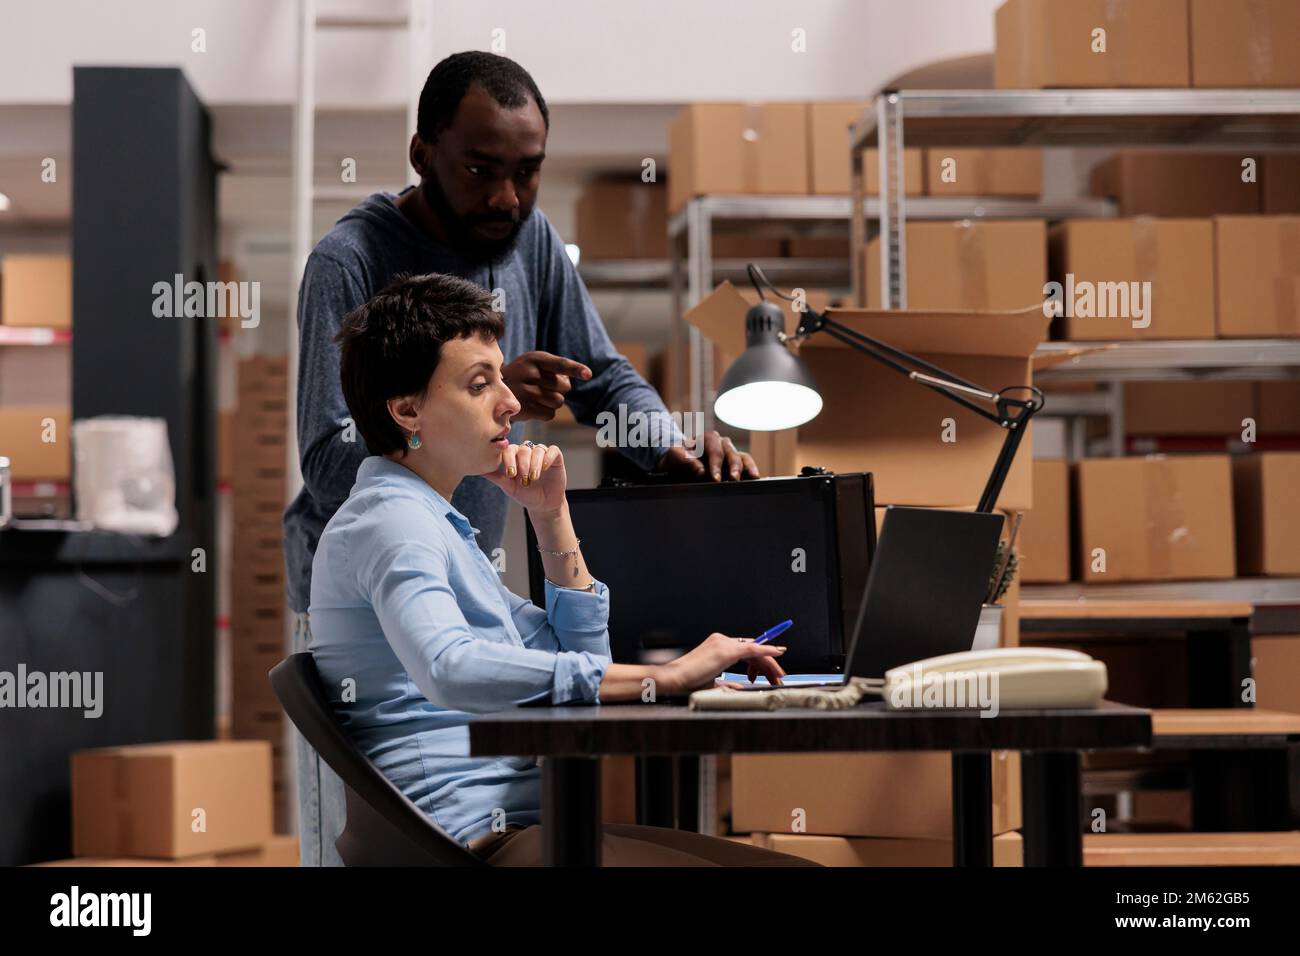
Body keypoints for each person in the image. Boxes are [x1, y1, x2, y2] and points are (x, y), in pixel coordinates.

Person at [285, 50, 760, 865]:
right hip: (375, 576)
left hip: (461, 543)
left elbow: (601, 377)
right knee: (384, 825)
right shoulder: (350, 260)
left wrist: (667, 450)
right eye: (481, 170)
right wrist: (474, 411)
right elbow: (330, 456)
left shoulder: (529, 237)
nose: (507, 196)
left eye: (528, 172)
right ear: (423, 155)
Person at [308, 272, 816, 867]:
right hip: (472, 841)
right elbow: (449, 666)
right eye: (479, 385)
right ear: (407, 410)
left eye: (501, 376)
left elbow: (587, 669)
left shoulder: (435, 523)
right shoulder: (391, 523)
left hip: (531, 827)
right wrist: (671, 677)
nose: (511, 402)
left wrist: (551, 516)